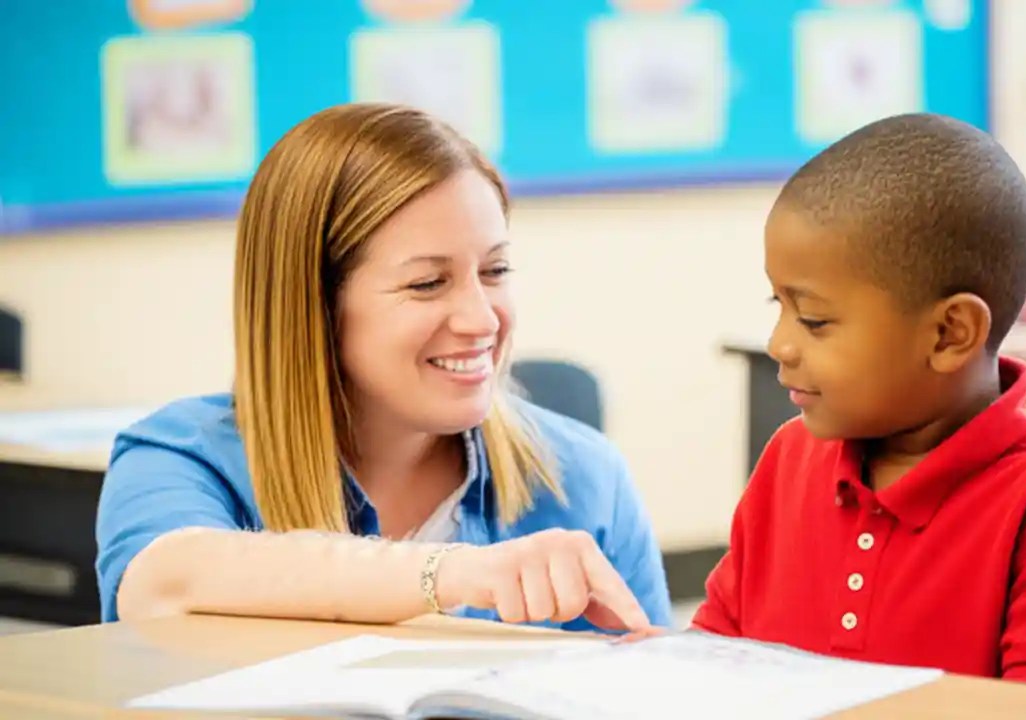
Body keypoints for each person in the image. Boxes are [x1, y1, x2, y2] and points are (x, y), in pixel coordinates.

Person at [95, 103, 671, 633]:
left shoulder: (585, 476)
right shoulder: (183, 458)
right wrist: (454, 574)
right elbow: (165, 583)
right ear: (314, 305)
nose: (482, 318)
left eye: (494, 271)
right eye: (427, 283)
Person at [692, 113, 1026, 694]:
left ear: (950, 334)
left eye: (813, 319)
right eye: (775, 304)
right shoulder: (790, 457)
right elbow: (714, 670)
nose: (780, 342)